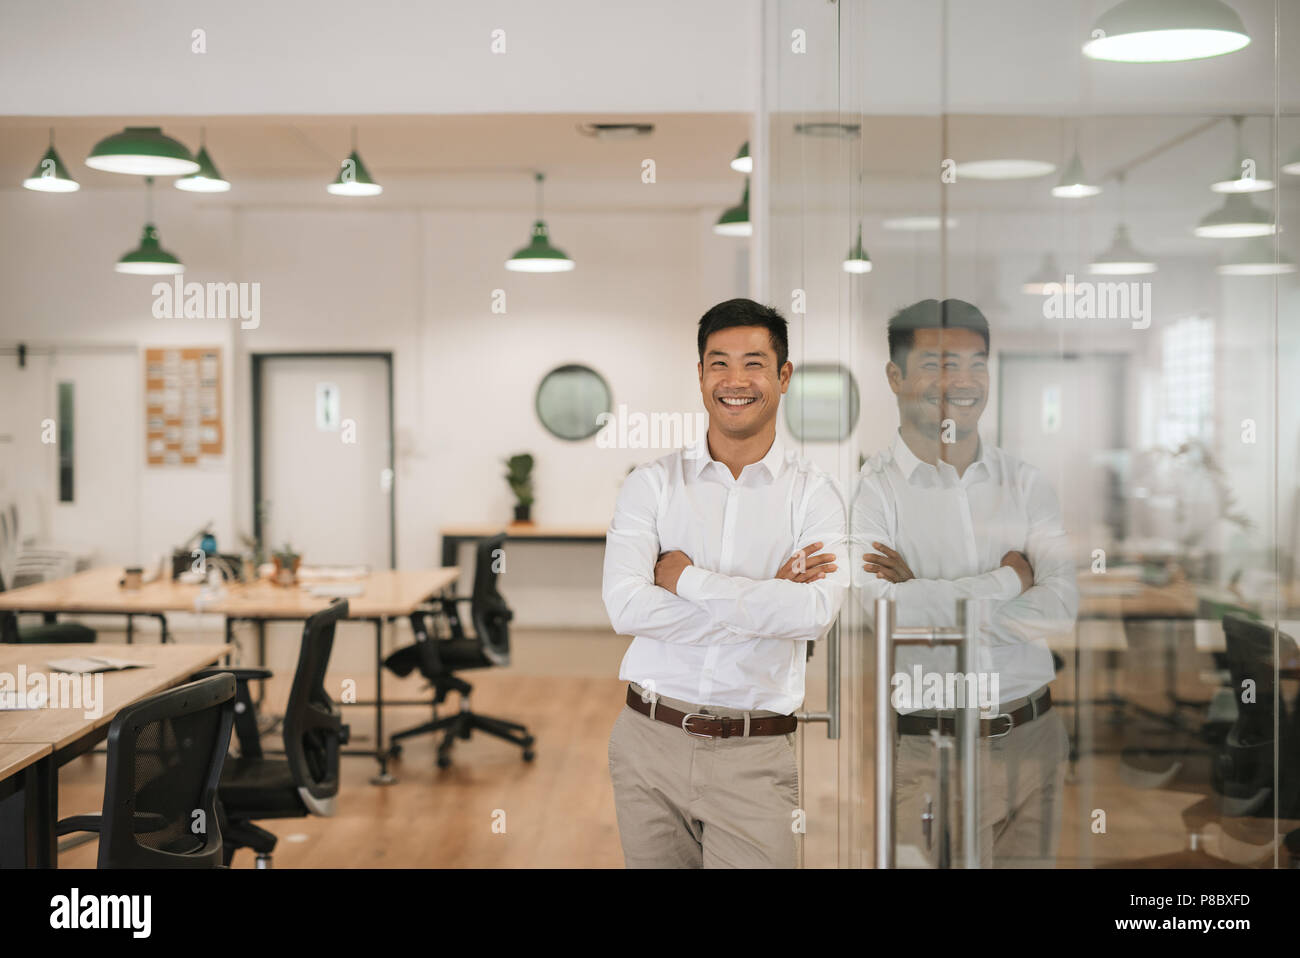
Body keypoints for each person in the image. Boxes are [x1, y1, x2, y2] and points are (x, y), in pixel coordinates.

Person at [602, 297, 849, 868]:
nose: (735, 380)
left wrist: (684, 578)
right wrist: (765, 598)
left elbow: (811, 615)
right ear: (700, 375)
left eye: (754, 363)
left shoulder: (815, 494)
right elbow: (626, 609)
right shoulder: (652, 484)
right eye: (719, 363)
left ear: (783, 376)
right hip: (648, 741)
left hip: (754, 754)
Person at [852, 298, 1077, 867]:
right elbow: (886, 612)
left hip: (1034, 737)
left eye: (977, 363)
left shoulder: (1026, 483)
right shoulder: (873, 492)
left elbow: (1060, 608)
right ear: (896, 377)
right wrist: (1010, 579)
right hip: (934, 746)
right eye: (938, 364)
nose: (963, 381)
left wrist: (927, 596)